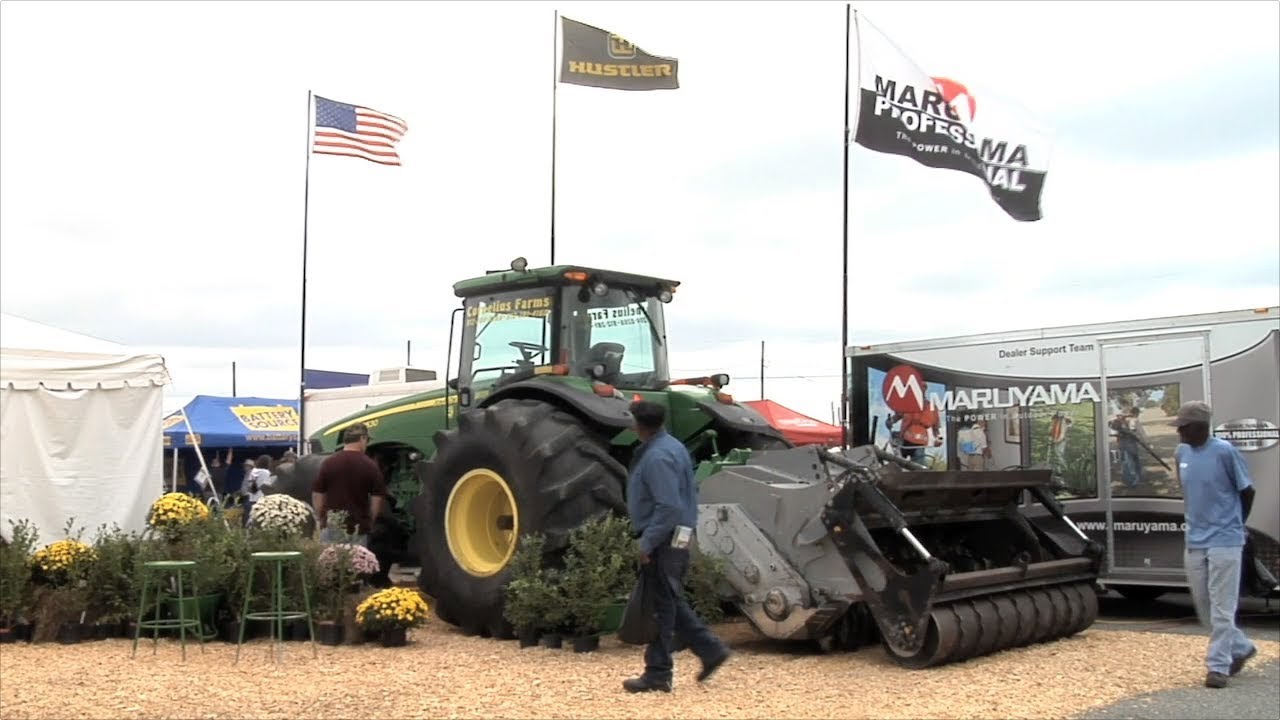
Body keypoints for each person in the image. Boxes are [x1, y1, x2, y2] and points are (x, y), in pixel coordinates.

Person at [622, 400, 730, 694]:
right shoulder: (673, 447)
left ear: (637, 424)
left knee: (661, 607)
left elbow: (668, 506)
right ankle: (710, 649)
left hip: (663, 538)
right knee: (668, 598)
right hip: (675, 535)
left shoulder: (656, 457)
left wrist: (647, 542)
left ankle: (658, 673)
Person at [1173, 400, 1258, 689]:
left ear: (1202, 426)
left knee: (1223, 608)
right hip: (1195, 539)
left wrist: (1237, 523)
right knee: (1204, 608)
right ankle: (1242, 646)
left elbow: (1247, 491)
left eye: (1184, 427)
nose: (1180, 432)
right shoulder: (1181, 452)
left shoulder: (1225, 451)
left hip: (1225, 540)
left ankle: (1218, 666)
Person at [312, 422, 386, 547]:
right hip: (358, 529)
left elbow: (317, 494)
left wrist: (322, 518)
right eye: (367, 440)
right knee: (357, 559)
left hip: (332, 525)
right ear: (362, 438)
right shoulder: (370, 465)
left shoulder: (328, 463)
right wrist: (369, 521)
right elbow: (377, 500)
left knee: (330, 559)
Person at [241, 455, 274, 527]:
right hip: (261, 499)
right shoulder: (266, 473)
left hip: (251, 499)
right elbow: (266, 485)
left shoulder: (253, 471)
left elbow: (249, 485)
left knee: (248, 521)